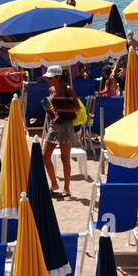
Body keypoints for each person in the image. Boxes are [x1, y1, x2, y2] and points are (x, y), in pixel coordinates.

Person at [43, 65, 80, 197]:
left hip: (65, 125)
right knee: (45, 156)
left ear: (58, 77)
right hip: (54, 124)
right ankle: (54, 184)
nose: (48, 79)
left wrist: (60, 110)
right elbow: (53, 108)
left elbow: (77, 108)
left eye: (50, 77)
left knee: (65, 159)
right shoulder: (51, 89)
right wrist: (51, 113)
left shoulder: (68, 89)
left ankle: (67, 188)